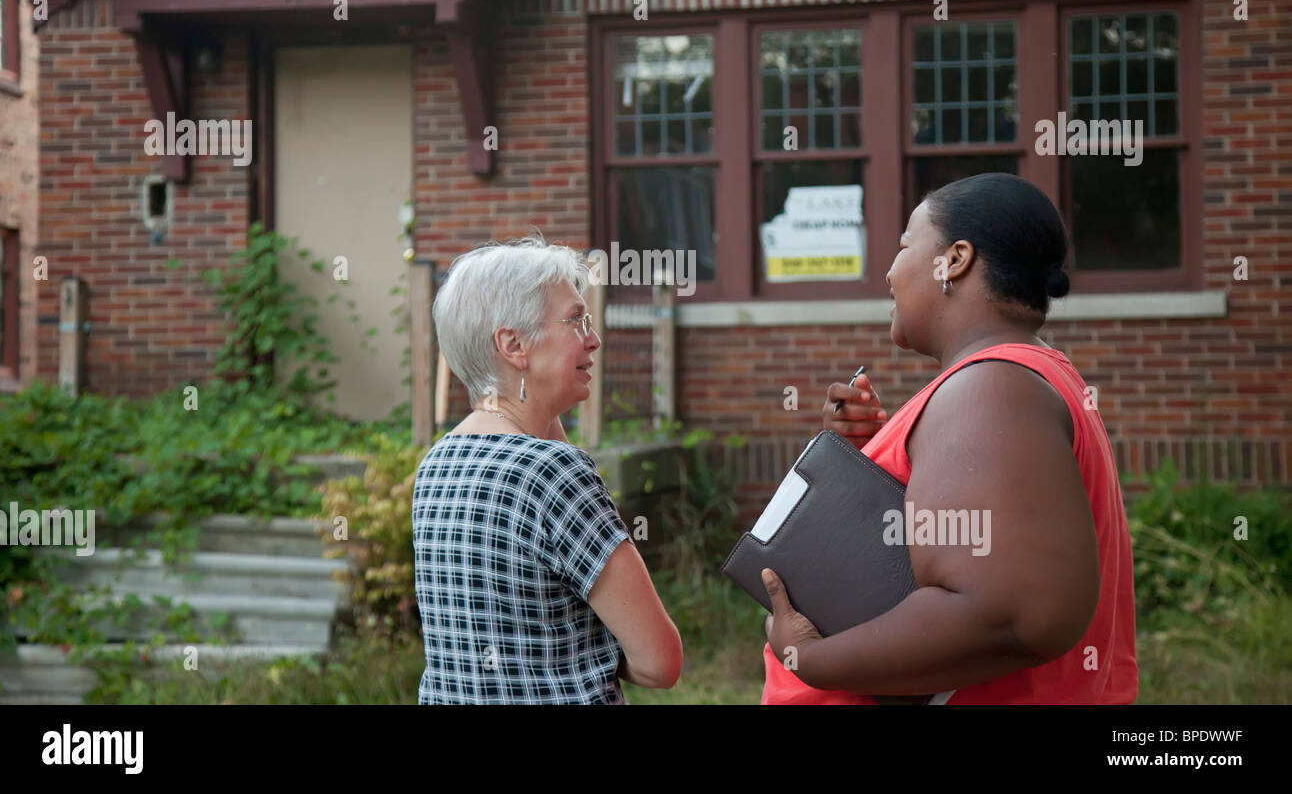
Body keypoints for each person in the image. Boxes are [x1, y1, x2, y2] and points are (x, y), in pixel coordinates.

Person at [760, 173, 1138, 704]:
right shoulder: (1008, 380)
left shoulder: (991, 386)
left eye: (903, 247)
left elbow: (1005, 615)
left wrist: (813, 660)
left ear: (954, 260)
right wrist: (863, 466)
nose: (890, 272)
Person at [413, 236, 682, 703]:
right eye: (576, 320)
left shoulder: (435, 466)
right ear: (514, 344)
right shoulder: (556, 475)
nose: (593, 339)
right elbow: (660, 662)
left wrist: (541, 403)